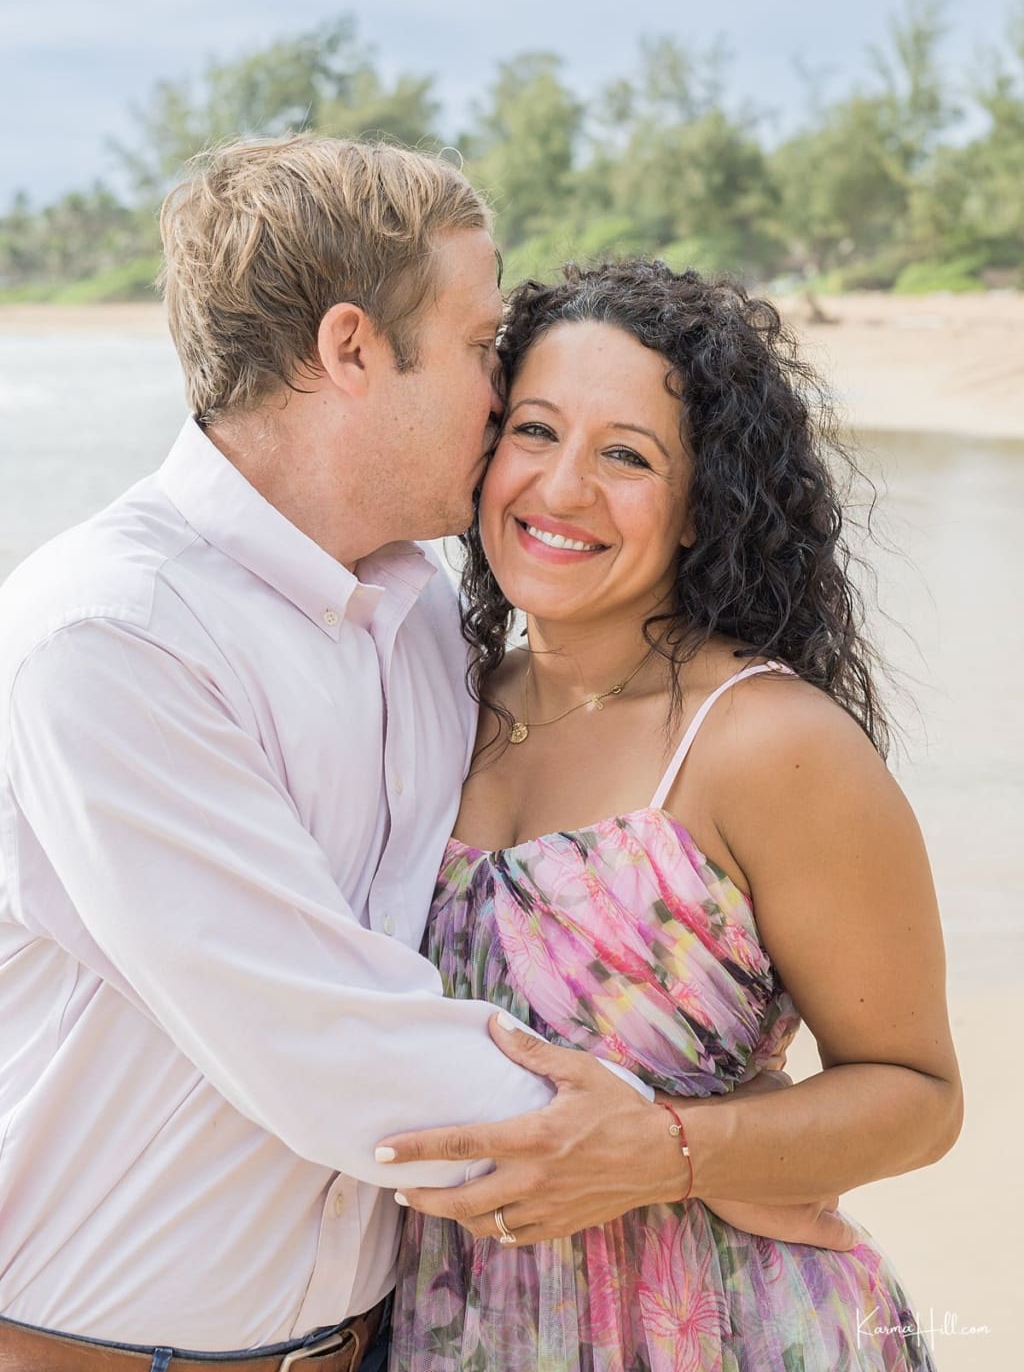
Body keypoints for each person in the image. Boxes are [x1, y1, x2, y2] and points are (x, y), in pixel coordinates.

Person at [0, 140, 825, 1372]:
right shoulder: (114, 635)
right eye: (481, 343)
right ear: (350, 350)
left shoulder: (424, 618)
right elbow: (329, 1045)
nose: (502, 391)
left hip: (386, 1346)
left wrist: (725, 1142)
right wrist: (693, 1158)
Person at [382, 260, 964, 1371]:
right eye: (536, 431)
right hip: (455, 1331)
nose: (560, 491)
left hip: (721, 1328)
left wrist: (674, 1151)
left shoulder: (767, 744)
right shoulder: (433, 707)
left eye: (626, 456)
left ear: (705, 507)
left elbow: (919, 1097)